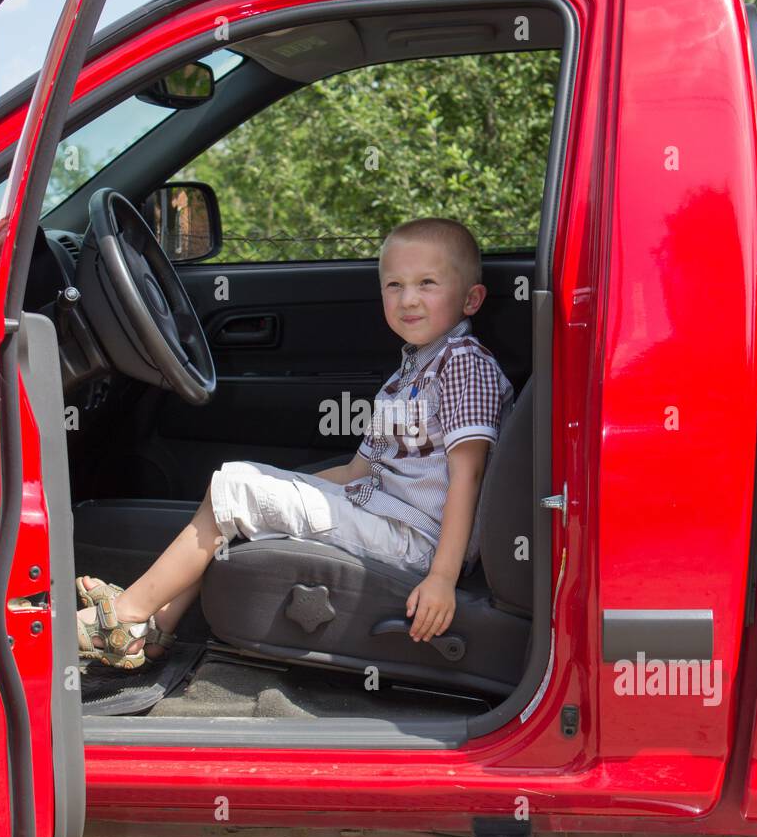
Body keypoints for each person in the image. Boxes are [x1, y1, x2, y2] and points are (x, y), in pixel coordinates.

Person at [76, 216, 514, 669]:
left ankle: (124, 617)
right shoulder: (408, 373)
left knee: (237, 489)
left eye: (427, 283)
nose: (408, 299)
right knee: (237, 485)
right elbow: (356, 471)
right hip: (383, 513)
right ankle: (155, 626)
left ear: (471, 298)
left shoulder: (463, 363)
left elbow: (470, 475)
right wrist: (282, 486)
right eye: (394, 285)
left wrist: (442, 577)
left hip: (416, 539)